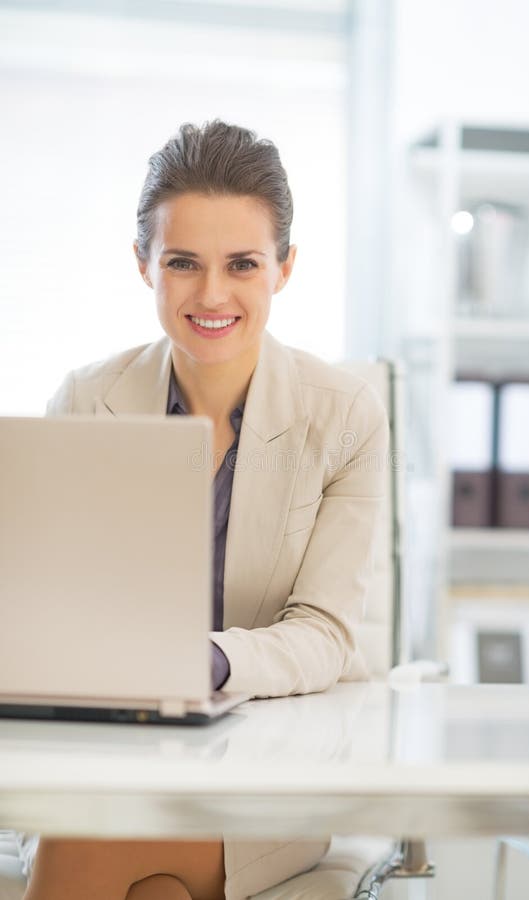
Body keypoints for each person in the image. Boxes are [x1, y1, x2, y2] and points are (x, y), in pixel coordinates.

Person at [21, 120, 388, 900]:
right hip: (107, 758)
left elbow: (325, 633)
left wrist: (204, 663)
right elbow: (51, 610)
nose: (212, 294)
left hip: (265, 769)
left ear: (284, 269)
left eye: (242, 264)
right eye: (183, 262)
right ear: (142, 264)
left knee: (100, 840)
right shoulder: (88, 399)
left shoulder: (346, 414)